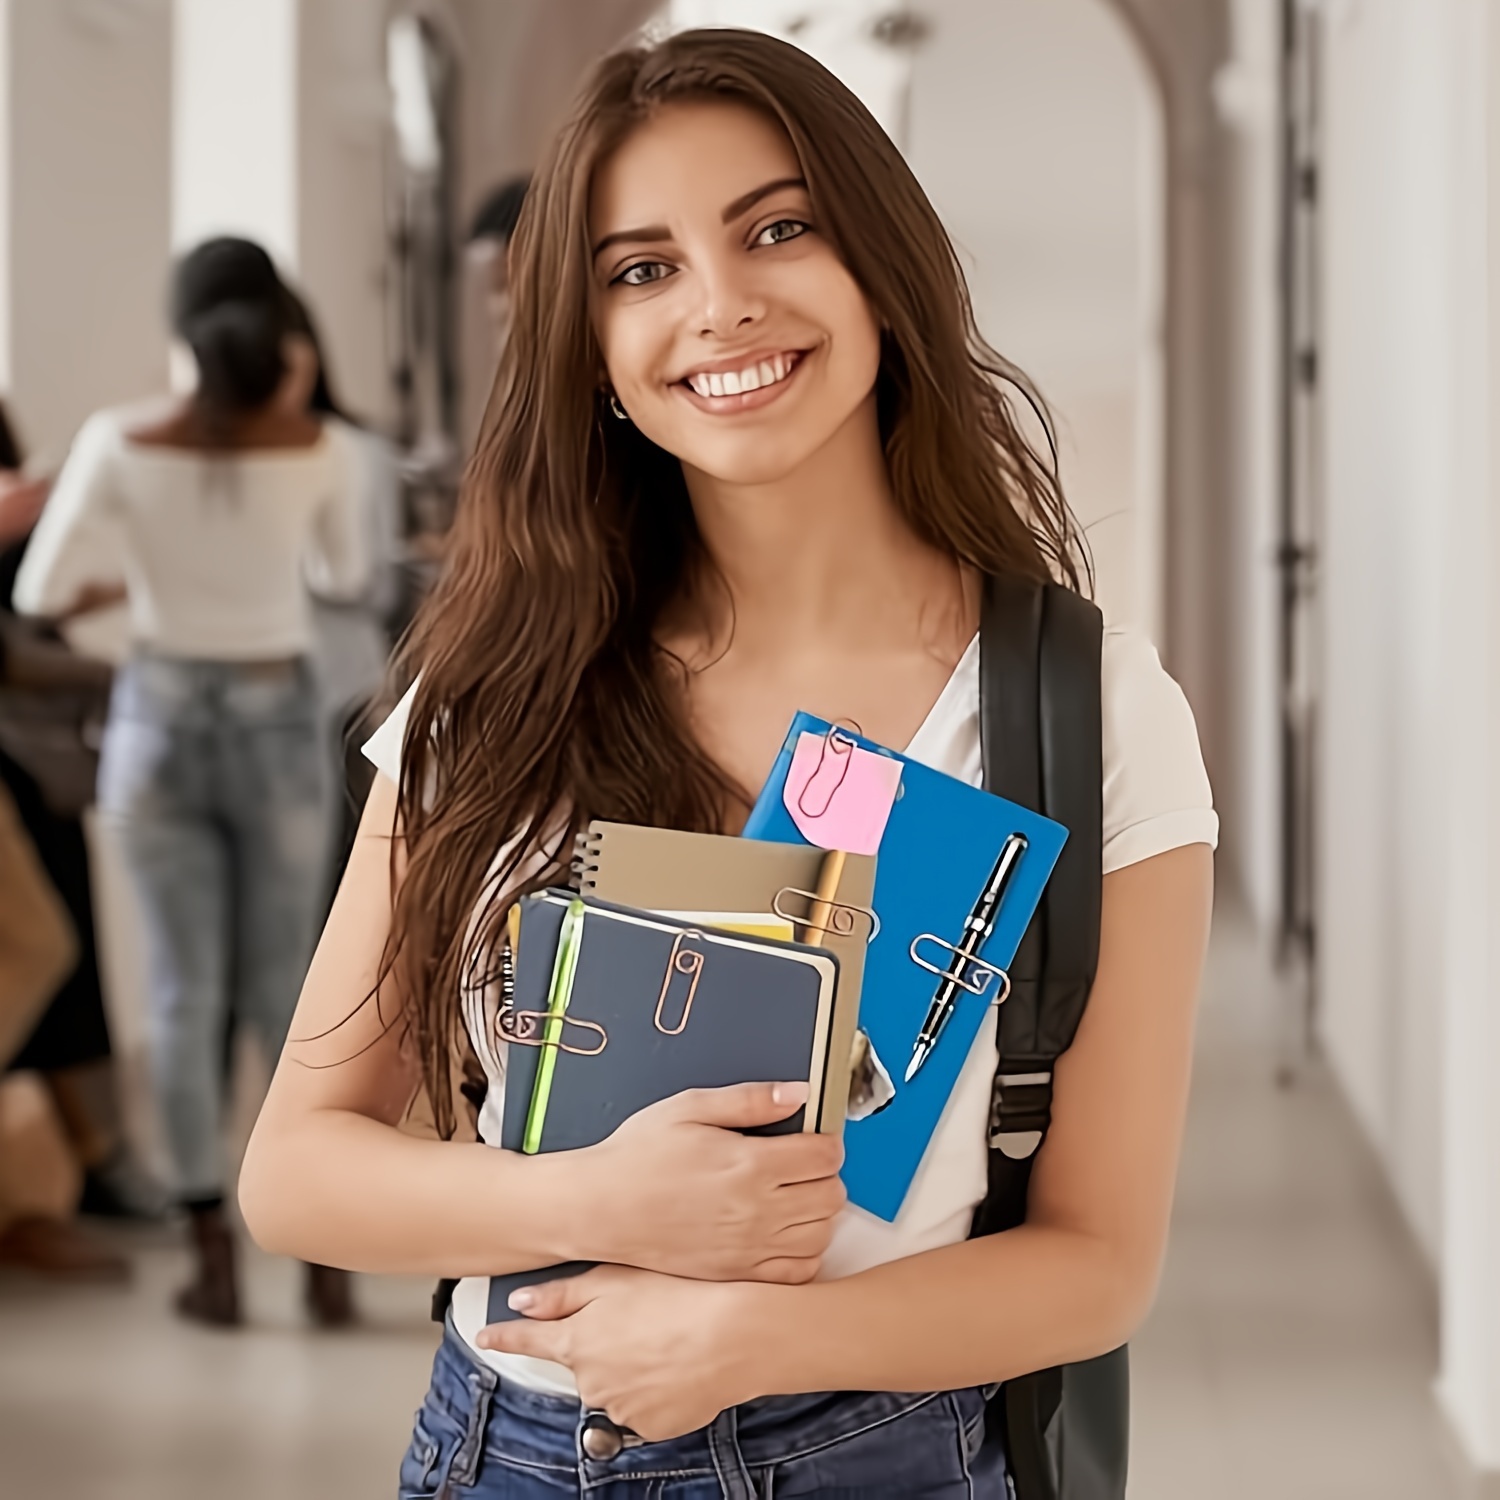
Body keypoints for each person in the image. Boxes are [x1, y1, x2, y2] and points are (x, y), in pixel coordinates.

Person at [239, 29, 1216, 1498]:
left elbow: (1096, 1263)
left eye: (777, 228)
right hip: (507, 1451)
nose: (720, 304)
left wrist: (753, 1341)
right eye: (641, 269)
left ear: (882, 264)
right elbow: (296, 1172)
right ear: (594, 349)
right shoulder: (495, 684)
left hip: (890, 1457)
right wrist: (591, 1195)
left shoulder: (1081, 709)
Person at [14, 238, 369, 1327]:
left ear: (182, 335)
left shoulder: (118, 441)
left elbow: (40, 584)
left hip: (158, 715)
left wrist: (143, 573)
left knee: (179, 997)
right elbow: (342, 576)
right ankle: (320, 1257)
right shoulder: (317, 448)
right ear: (283, 341)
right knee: (288, 989)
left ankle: (212, 1255)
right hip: (272, 713)